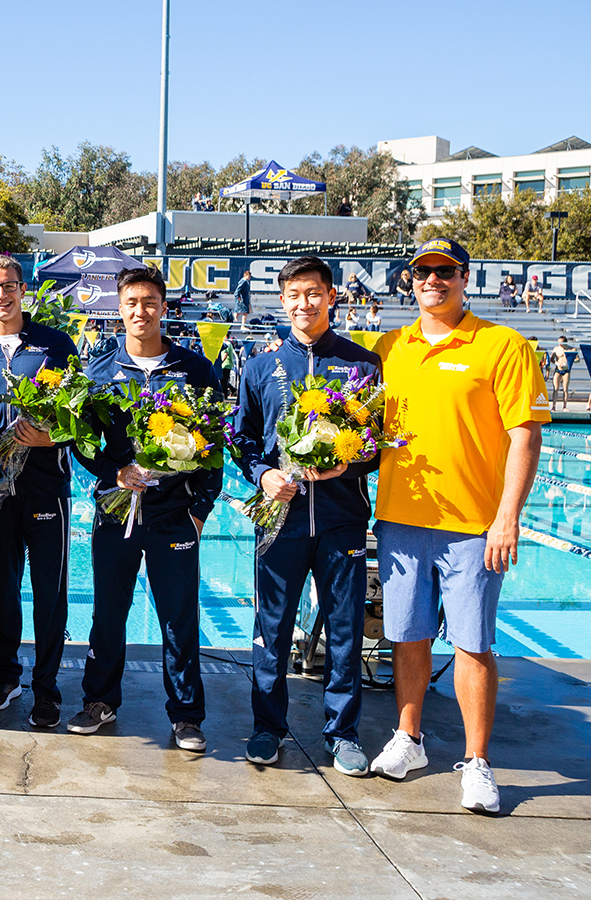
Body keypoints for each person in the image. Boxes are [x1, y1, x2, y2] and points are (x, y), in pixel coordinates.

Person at [369, 238, 548, 815]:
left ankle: (477, 762)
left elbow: (525, 434)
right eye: (422, 271)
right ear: (410, 280)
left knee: (472, 643)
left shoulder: (503, 345)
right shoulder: (390, 347)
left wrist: (507, 515)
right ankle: (409, 738)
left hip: (473, 525)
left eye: (445, 271)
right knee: (407, 634)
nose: (433, 280)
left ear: (465, 278)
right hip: (400, 519)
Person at [232, 256, 380, 775]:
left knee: (344, 630)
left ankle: (342, 733)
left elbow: (378, 445)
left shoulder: (362, 365)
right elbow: (243, 439)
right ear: (282, 300)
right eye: (294, 294)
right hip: (281, 520)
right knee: (271, 629)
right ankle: (268, 727)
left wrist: (347, 463)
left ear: (332, 297)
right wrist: (262, 475)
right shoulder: (260, 367)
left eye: (314, 293)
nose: (304, 303)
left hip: (341, 520)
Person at [71, 266, 221, 751]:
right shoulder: (99, 372)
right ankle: (99, 700)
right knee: (109, 612)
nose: (141, 311)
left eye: (150, 301)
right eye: (132, 302)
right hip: (116, 513)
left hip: (174, 515)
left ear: (163, 307)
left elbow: (215, 445)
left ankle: (186, 715)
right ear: (119, 309)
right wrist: (113, 473)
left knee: (178, 617)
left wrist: (200, 510)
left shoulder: (195, 370)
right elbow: (80, 442)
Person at [0, 254, 81, 729]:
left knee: (49, 592)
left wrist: (53, 438)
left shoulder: (55, 345)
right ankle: (4, 677)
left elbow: (80, 414)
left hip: (45, 487)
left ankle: (46, 689)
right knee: (3, 587)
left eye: (9, 285)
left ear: (23, 289)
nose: (1, 294)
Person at [549, 335, 575, 411]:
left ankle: (564, 406)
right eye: (559, 342)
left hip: (566, 371)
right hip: (558, 370)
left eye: (562, 342)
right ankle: (553, 406)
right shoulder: (556, 349)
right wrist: (557, 363)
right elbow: (551, 359)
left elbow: (577, 359)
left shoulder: (572, 349)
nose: (560, 344)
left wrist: (568, 363)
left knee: (565, 389)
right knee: (555, 388)